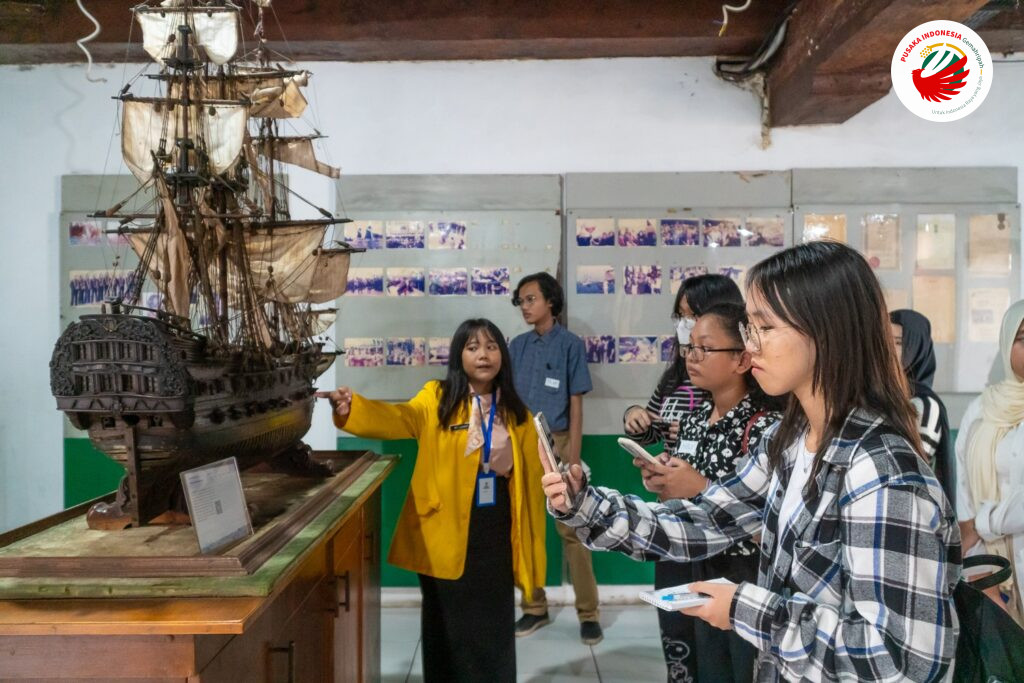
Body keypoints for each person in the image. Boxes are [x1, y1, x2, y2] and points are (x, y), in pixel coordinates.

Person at [541, 241, 960, 682]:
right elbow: (705, 520)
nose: (750, 346)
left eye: (764, 327)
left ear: (825, 331)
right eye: (747, 328)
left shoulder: (880, 473)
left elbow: (900, 662)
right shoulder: (791, 440)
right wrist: (583, 504)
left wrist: (746, 609)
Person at [317, 318, 546, 682]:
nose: (483, 355)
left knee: (494, 627)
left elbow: (539, 473)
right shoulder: (437, 398)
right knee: (447, 629)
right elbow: (399, 417)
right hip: (443, 533)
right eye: (472, 348)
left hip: (496, 530)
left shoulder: (518, 413)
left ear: (502, 353)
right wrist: (350, 409)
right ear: (459, 356)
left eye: (491, 346)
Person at [636, 302, 780, 682]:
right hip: (699, 565)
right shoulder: (693, 421)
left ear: (742, 360)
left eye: (705, 348)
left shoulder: (766, 427)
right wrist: (663, 482)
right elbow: (683, 500)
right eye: (689, 348)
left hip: (749, 578)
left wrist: (698, 486)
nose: (691, 358)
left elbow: (774, 524)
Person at [508, 272, 602, 644]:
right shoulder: (516, 346)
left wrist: (573, 457)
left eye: (531, 299)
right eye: (521, 301)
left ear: (551, 301)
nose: (525, 307)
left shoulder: (570, 345)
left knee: (573, 531)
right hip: (520, 444)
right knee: (526, 528)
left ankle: (589, 613)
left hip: (559, 443)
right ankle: (533, 608)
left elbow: (576, 404)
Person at [956, 299, 1024, 624]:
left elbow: (974, 523)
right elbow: (964, 498)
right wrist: (985, 582)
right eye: (1023, 338)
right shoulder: (982, 409)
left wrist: (981, 524)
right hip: (995, 581)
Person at [623, 274, 744, 454]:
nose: (683, 324)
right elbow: (653, 432)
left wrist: (695, 432)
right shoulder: (674, 377)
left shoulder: (730, 385)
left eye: (693, 316)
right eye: (680, 315)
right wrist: (634, 416)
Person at [890, 309, 955, 506]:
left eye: (899, 342)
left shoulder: (924, 405)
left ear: (917, 347)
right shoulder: (884, 398)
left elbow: (907, 473)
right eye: (884, 340)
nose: (889, 349)